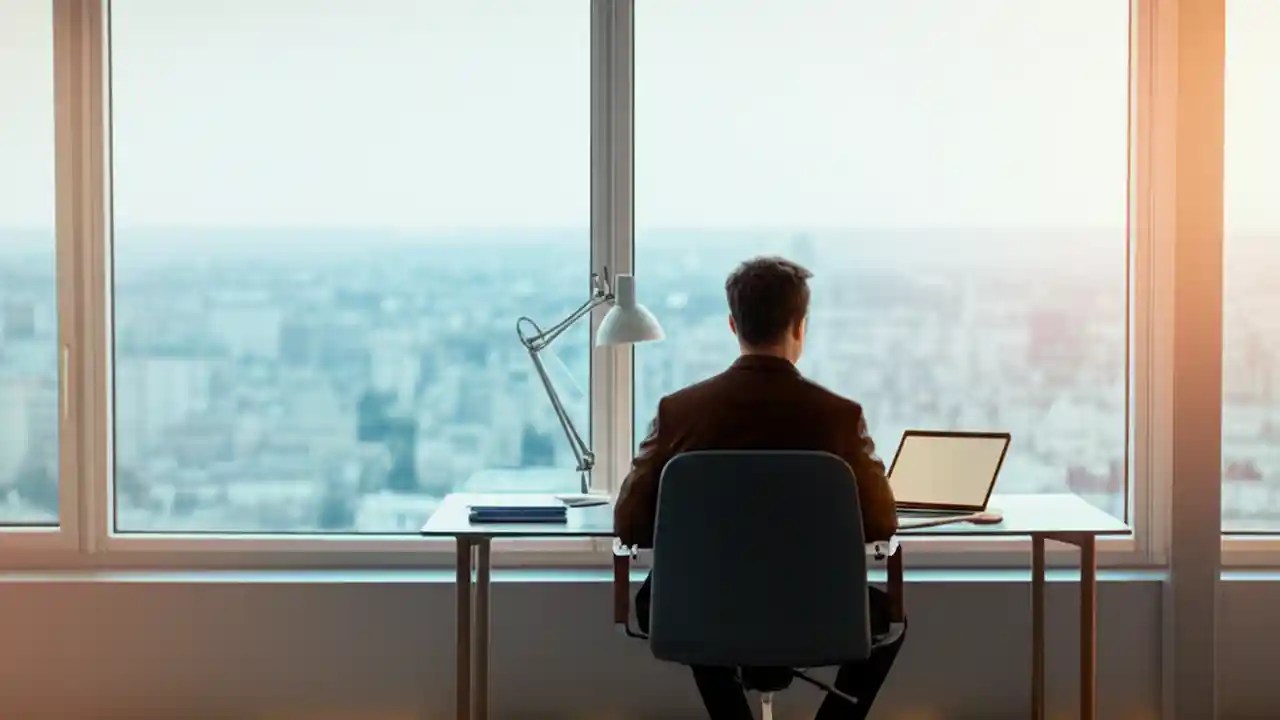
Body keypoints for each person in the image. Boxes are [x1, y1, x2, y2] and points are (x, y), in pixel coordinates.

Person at [614, 256, 903, 720]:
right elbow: (882, 524)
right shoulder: (838, 416)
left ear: (733, 325)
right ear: (800, 327)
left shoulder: (681, 412)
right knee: (889, 618)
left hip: (705, 609)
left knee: (675, 597)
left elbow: (629, 523)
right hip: (818, 611)